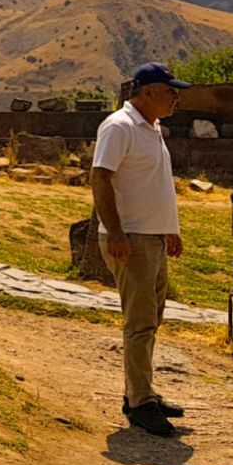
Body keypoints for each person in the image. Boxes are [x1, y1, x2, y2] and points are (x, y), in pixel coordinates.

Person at [91, 62, 192, 437]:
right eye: (170, 91)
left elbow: (153, 184)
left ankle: (140, 392)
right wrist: (116, 232)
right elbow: (100, 177)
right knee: (140, 323)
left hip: (152, 238)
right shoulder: (119, 127)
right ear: (147, 92)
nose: (176, 98)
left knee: (151, 320)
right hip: (131, 240)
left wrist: (170, 229)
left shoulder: (151, 128)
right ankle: (140, 403)